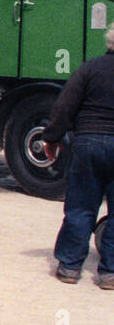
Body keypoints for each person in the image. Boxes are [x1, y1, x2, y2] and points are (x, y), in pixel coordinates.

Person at [42, 23, 114, 288]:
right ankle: (110, 273)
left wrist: (51, 137)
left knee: (81, 206)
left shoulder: (89, 68)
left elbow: (64, 107)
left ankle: (70, 267)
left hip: (88, 143)